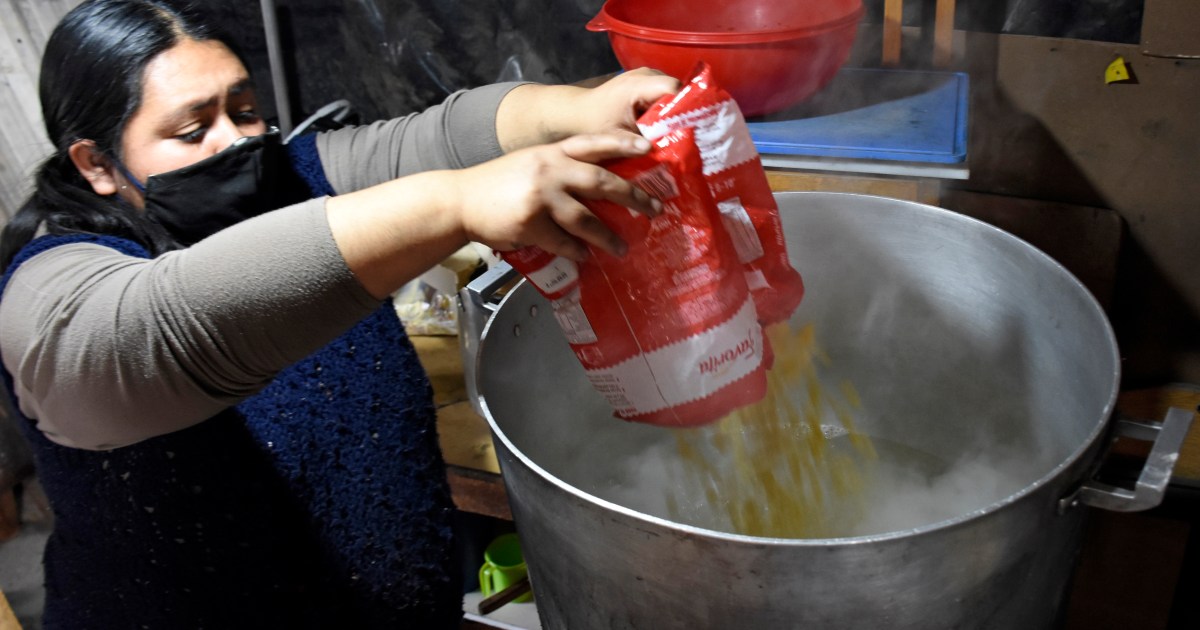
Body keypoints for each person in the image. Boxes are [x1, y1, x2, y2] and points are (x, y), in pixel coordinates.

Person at [0, 0, 679, 627]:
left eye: (243, 109)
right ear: (96, 162)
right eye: (191, 128)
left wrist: (574, 108)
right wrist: (455, 205)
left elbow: (446, 135)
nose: (235, 141)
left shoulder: (284, 180)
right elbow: (155, 334)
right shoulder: (49, 285)